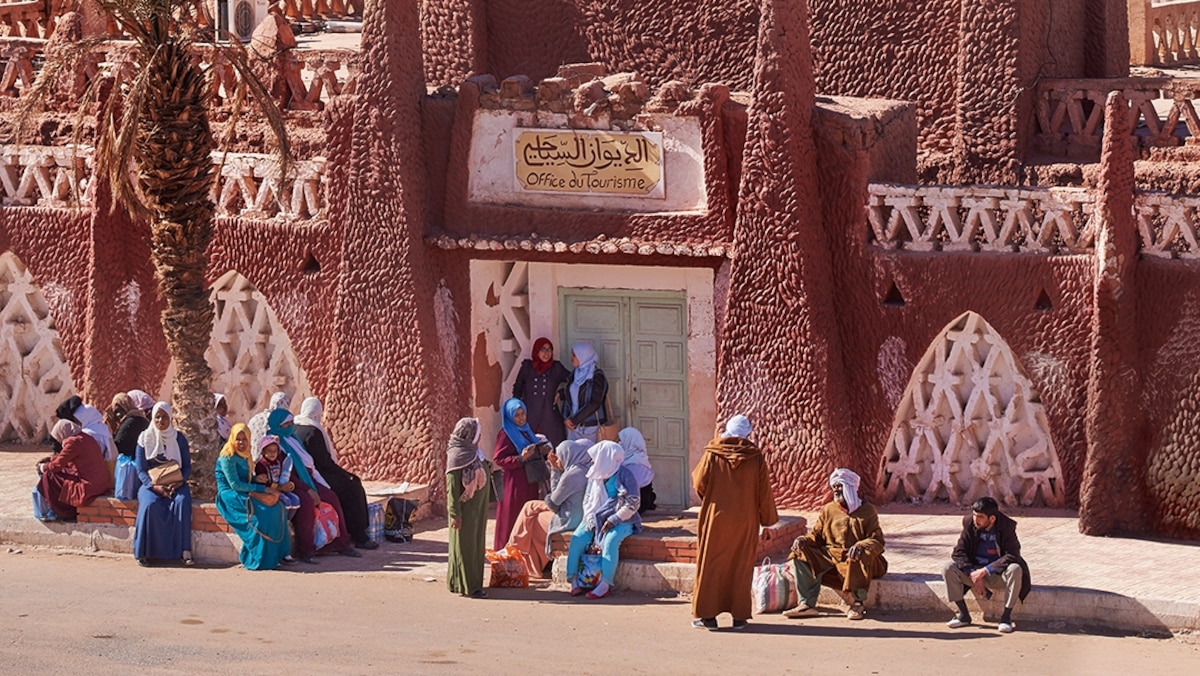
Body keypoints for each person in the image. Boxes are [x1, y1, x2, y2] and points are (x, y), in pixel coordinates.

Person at [691, 415, 779, 631]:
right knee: (741, 566)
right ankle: (739, 618)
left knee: (711, 565)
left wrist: (713, 498)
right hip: (745, 520)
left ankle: (707, 617)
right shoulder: (755, 457)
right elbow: (764, 493)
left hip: (716, 519)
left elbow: (699, 482)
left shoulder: (712, 454)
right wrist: (767, 523)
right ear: (748, 432)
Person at [783, 468, 887, 621]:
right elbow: (816, 535)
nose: (836, 490)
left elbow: (877, 540)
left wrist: (861, 545)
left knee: (859, 554)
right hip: (832, 556)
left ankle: (857, 603)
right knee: (801, 552)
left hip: (860, 560)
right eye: (835, 486)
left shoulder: (868, 510)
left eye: (840, 486)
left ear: (850, 488)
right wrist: (803, 540)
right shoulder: (828, 509)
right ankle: (807, 604)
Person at [267, 408, 359, 562]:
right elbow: (286, 471)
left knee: (331, 497)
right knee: (307, 503)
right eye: (286, 424)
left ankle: (341, 543)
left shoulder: (292, 438)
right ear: (277, 425)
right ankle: (307, 550)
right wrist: (308, 489)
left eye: (291, 423)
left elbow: (308, 464)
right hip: (291, 482)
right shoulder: (275, 443)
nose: (290, 426)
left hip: (308, 477)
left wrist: (318, 484)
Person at [294, 397, 378, 549]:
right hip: (317, 475)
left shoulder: (295, 426)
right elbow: (325, 463)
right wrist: (346, 474)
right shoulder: (313, 431)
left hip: (305, 473)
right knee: (353, 487)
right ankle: (360, 535)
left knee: (349, 484)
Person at [506, 438, 593, 578]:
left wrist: (554, 470)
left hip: (569, 519)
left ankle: (515, 548)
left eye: (559, 457)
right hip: (576, 515)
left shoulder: (572, 474)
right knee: (530, 509)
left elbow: (553, 502)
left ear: (568, 455)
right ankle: (521, 554)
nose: (557, 461)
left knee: (533, 518)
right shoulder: (585, 469)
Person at [943, 496, 1031, 634]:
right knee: (949, 568)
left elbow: (1013, 555)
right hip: (974, 572)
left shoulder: (1006, 526)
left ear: (992, 519)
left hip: (998, 575)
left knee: (1016, 569)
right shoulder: (969, 523)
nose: (975, 520)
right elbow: (958, 553)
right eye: (974, 515)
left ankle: (1006, 618)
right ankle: (963, 615)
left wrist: (984, 571)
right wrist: (973, 573)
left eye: (980, 517)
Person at [564, 440, 641, 599]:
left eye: (595, 457)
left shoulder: (625, 474)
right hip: (594, 516)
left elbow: (633, 502)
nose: (593, 461)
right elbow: (587, 500)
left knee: (611, 540)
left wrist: (614, 519)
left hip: (623, 519)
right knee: (578, 538)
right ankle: (574, 580)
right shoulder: (594, 475)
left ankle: (605, 584)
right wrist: (590, 518)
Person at [214, 423, 293, 570]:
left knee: (279, 508)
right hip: (230, 495)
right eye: (238, 439)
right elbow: (235, 484)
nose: (241, 443)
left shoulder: (246, 455)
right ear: (233, 439)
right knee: (263, 514)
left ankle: (280, 554)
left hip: (246, 490)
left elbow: (246, 479)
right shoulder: (227, 457)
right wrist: (263, 488)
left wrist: (256, 479)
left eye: (244, 439)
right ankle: (261, 558)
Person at [133, 402, 194, 567]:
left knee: (181, 503)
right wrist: (154, 487)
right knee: (149, 505)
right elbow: (140, 470)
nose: (161, 420)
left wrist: (179, 482)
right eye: (157, 417)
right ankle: (144, 553)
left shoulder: (178, 438)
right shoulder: (144, 439)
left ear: (170, 418)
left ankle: (184, 551)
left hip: (177, 483)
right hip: (151, 484)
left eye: (164, 416)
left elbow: (187, 467)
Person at [492, 398, 551, 549]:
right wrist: (520, 458)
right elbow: (499, 458)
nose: (521, 418)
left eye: (522, 414)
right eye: (517, 415)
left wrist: (541, 451)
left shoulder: (527, 430)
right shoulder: (506, 434)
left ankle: (525, 553)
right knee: (512, 517)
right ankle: (507, 552)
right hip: (514, 483)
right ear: (510, 416)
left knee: (527, 517)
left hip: (529, 481)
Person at [37, 419, 114, 522]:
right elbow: (68, 458)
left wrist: (43, 467)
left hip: (89, 487)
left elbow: (56, 466)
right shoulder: (86, 437)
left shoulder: (73, 442)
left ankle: (59, 511)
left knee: (49, 476)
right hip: (102, 482)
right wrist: (51, 459)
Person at [446, 417, 489, 598]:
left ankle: (459, 582)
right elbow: (452, 489)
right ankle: (470, 586)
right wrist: (455, 514)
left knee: (475, 546)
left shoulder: (474, 452)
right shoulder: (457, 456)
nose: (479, 438)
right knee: (466, 548)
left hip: (477, 510)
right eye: (477, 435)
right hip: (465, 512)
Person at [512, 337, 571, 446]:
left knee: (552, 449)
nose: (546, 353)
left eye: (549, 349)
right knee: (529, 450)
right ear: (536, 350)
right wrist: (516, 408)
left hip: (549, 416)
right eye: (543, 349)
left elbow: (574, 381)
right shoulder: (527, 367)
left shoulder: (556, 368)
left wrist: (561, 393)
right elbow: (517, 388)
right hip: (529, 415)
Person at [561, 342, 609, 443]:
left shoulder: (597, 376)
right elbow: (568, 397)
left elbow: (595, 402)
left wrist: (575, 420)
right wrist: (565, 418)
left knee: (590, 457)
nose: (571, 358)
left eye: (574, 355)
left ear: (583, 355)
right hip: (572, 428)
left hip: (590, 428)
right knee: (572, 457)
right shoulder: (574, 374)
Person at [57, 395, 117, 473]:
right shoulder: (103, 428)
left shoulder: (88, 434)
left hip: (99, 471)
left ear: (84, 419)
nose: (77, 423)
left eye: (78, 420)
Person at [108, 392, 149, 499]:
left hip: (130, 469)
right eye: (115, 411)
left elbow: (118, 445)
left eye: (120, 409)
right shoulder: (141, 419)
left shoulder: (129, 422)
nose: (117, 414)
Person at [253, 435, 302, 512]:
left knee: (295, 500)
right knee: (286, 501)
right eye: (269, 450)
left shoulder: (278, 462)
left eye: (275, 451)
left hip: (280, 487)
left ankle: (288, 520)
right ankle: (282, 519)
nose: (272, 453)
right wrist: (280, 487)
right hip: (269, 490)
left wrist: (289, 485)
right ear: (263, 451)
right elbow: (265, 484)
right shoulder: (261, 465)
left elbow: (284, 474)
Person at [617, 427, 657, 513]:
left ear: (629, 441)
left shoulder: (635, 463)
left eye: (621, 440)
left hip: (634, 506)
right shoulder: (641, 458)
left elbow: (630, 491)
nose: (619, 443)